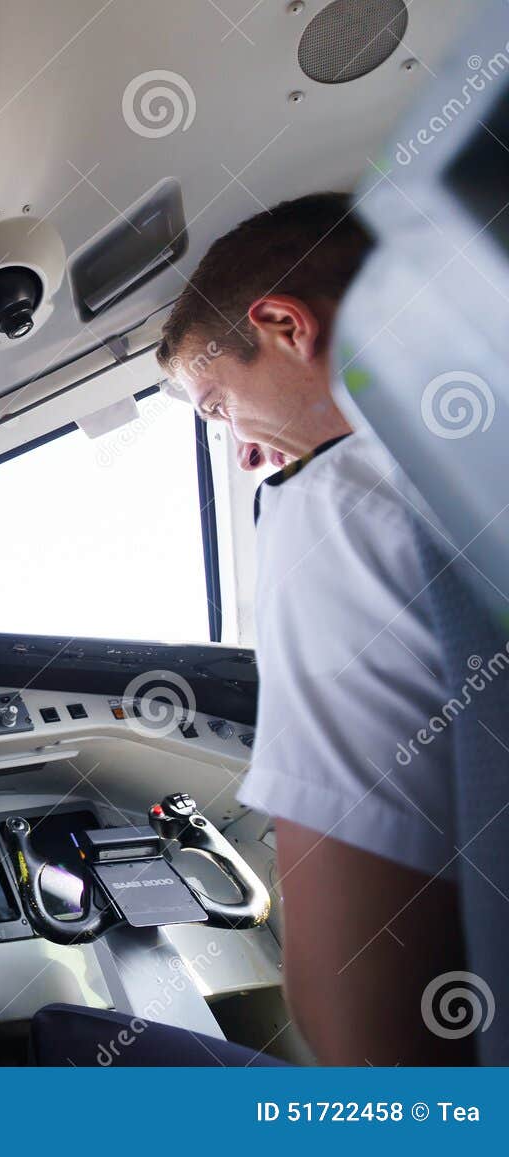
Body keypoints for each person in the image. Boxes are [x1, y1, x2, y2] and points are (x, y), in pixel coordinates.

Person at [156, 192, 476, 1064]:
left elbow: (367, 1023)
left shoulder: (336, 505)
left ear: (285, 325)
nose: (243, 452)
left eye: (218, 405)